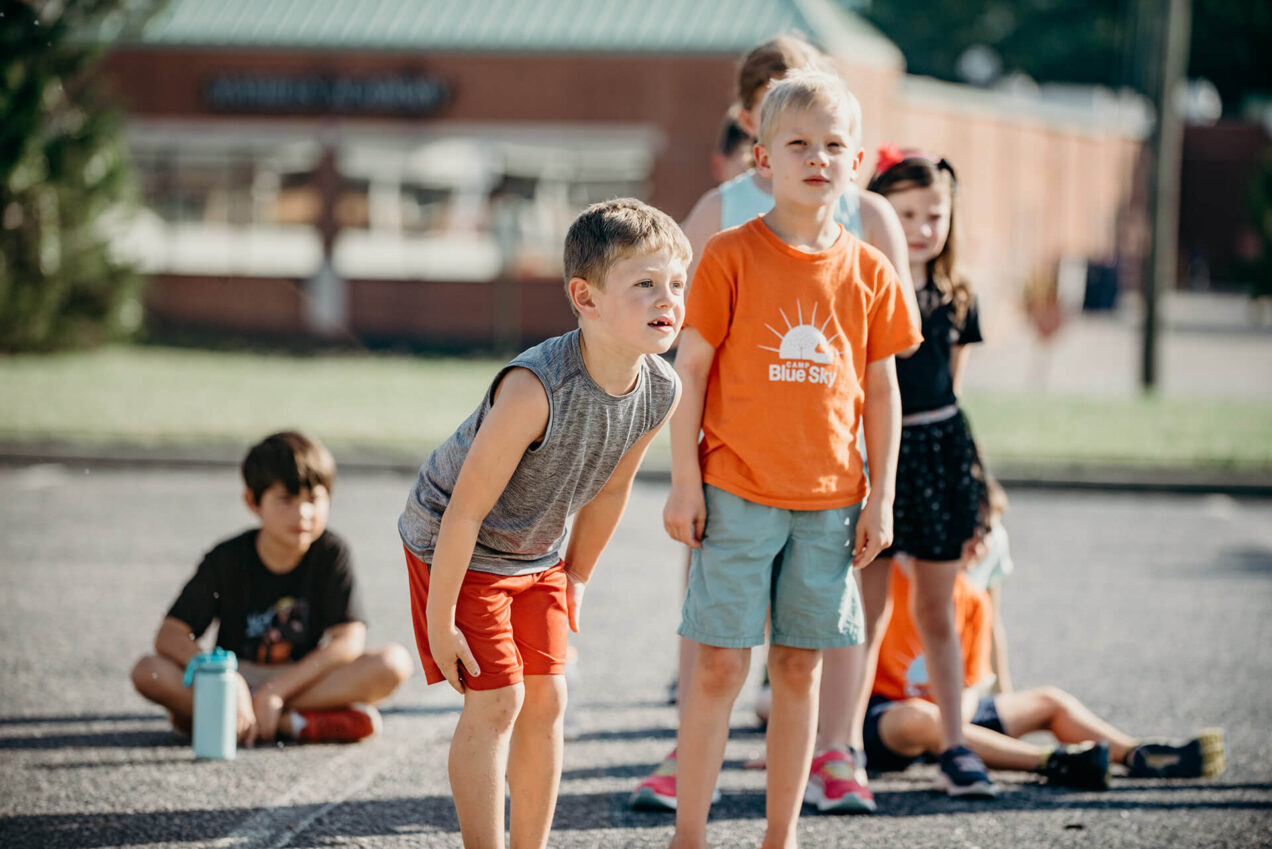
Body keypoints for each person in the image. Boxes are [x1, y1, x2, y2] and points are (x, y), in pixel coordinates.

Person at [634, 33, 921, 816]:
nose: (818, 158)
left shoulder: (867, 264)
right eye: (798, 142)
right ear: (758, 154)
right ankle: (690, 825)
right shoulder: (726, 250)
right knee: (720, 665)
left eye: (835, 146)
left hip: (831, 501)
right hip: (735, 492)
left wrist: (881, 494)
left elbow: (883, 387)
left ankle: (784, 826)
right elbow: (685, 372)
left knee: (799, 667)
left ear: (858, 161)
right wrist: (683, 484)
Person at [398, 198, 686, 849]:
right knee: (497, 700)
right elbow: (463, 510)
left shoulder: (660, 389)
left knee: (549, 700)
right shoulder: (535, 388)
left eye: (674, 283)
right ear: (584, 297)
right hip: (457, 543)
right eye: (643, 283)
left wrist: (577, 575)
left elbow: (612, 488)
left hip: (538, 552)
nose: (666, 297)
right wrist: (441, 621)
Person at [824, 146, 998, 801]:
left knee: (937, 611)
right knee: (861, 615)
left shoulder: (958, 294)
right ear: (877, 214)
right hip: (874, 455)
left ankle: (956, 745)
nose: (923, 228)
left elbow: (950, 396)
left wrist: (980, 490)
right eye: (906, 214)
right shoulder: (859, 281)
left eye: (935, 214)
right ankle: (840, 747)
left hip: (939, 459)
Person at [131, 431, 413, 746]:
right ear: (253, 502)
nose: (304, 513)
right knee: (149, 672)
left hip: (301, 679)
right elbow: (169, 635)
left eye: (313, 499)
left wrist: (276, 690)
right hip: (236, 675)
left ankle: (221, 718)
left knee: (393, 663)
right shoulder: (228, 557)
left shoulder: (331, 553)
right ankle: (291, 723)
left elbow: (349, 641)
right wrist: (227, 680)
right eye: (287, 500)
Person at [864, 554, 1227, 788]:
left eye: (985, 533)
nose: (979, 545)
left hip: (955, 714)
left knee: (1049, 700)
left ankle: (1135, 753)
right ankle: (1053, 763)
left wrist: (956, 715)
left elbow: (973, 684)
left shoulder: (972, 597)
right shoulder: (881, 580)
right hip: (887, 718)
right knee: (921, 716)